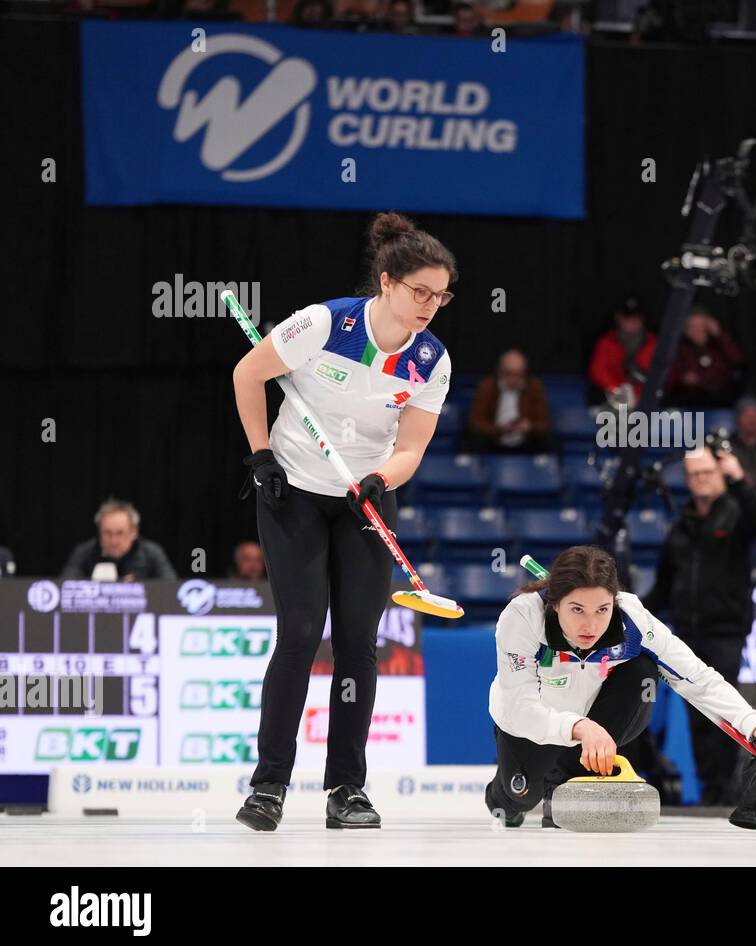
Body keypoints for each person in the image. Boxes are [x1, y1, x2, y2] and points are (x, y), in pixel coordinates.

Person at [231, 212, 454, 832]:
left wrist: (383, 479)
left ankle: (347, 790)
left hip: (365, 501)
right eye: (420, 292)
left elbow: (411, 446)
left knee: (358, 643)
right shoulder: (325, 323)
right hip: (293, 491)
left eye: (440, 295)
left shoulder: (431, 360)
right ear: (387, 282)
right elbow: (248, 373)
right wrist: (260, 456)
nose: (430, 305)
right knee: (299, 635)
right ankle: (269, 785)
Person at [485, 545, 756, 830]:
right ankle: (510, 797)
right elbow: (519, 708)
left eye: (602, 610)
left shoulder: (634, 621)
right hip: (533, 722)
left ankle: (570, 781)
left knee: (643, 670)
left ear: (614, 602)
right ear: (555, 604)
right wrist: (579, 727)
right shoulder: (522, 617)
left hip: (594, 721)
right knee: (515, 799)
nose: (591, 626)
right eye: (577, 609)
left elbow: (696, 677)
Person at [643, 446, 756, 805]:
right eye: (694, 475)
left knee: (724, 708)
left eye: (707, 473)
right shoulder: (682, 524)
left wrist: (740, 480)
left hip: (725, 630)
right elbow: (665, 584)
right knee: (697, 712)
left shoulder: (736, 514)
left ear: (721, 473)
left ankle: (727, 790)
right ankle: (709, 788)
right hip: (688, 632)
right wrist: (631, 611)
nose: (701, 481)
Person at [62, 498, 177, 582]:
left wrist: (141, 588)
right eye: (107, 533)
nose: (114, 541)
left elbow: (170, 588)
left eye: (120, 533)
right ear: (99, 531)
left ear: (134, 532)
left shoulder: (151, 554)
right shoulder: (84, 553)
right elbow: (64, 585)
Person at [465, 349, 553, 453]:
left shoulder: (535, 388)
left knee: (547, 441)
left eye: (518, 374)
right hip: (493, 440)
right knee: (474, 440)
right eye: (509, 373)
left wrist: (529, 426)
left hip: (525, 441)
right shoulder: (486, 387)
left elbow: (544, 424)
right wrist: (499, 429)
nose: (514, 379)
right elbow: (475, 423)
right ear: (500, 371)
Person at [664, 307, 745, 408]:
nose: (697, 330)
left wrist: (719, 335)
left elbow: (737, 360)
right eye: (692, 326)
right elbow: (670, 376)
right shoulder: (679, 349)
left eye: (701, 326)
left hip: (719, 398)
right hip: (687, 400)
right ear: (685, 330)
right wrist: (682, 378)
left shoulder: (719, 346)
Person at [588, 296, 656, 406]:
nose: (632, 322)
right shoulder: (607, 342)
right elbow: (599, 372)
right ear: (618, 318)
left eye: (636, 318)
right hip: (614, 397)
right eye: (627, 318)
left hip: (645, 400)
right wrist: (618, 390)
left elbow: (659, 376)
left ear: (643, 319)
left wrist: (639, 395)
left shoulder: (653, 343)